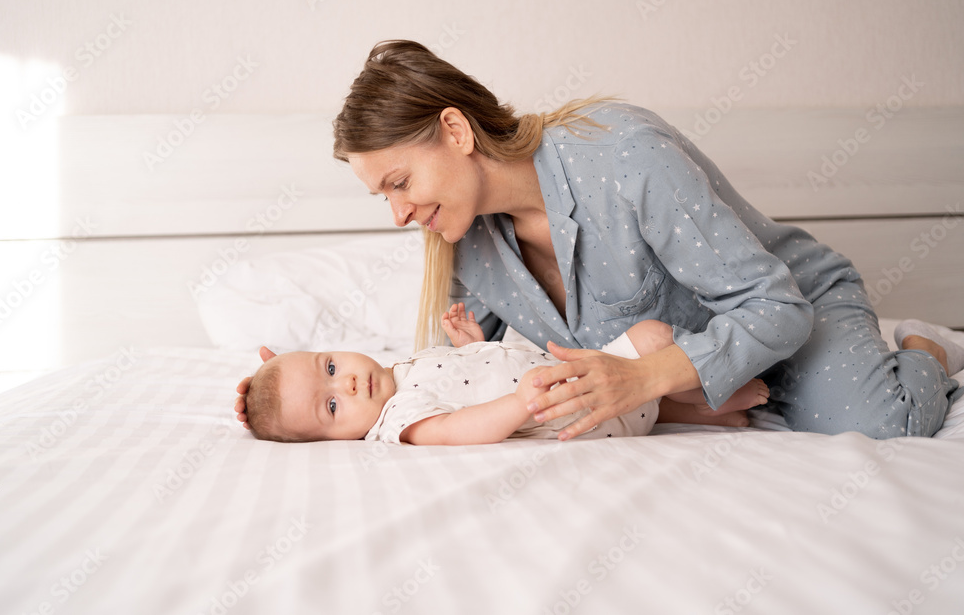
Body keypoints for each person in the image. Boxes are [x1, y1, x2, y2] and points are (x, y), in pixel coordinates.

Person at [327, 39, 962, 441]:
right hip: (697, 386)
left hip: (790, 312)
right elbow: (467, 378)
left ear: (456, 131)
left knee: (886, 424)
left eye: (400, 182)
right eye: (383, 195)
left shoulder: (623, 157)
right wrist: (297, 390)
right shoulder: (465, 239)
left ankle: (926, 347)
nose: (398, 214)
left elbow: (778, 308)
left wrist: (642, 380)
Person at [232, 307, 770, 444]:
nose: (346, 383)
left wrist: (472, 344)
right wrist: (518, 404)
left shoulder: (398, 366)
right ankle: (708, 388)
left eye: (329, 367)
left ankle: (706, 412)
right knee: (652, 338)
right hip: (569, 407)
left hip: (575, 381)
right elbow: (456, 429)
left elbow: (471, 373)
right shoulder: (400, 419)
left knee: (644, 359)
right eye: (331, 406)